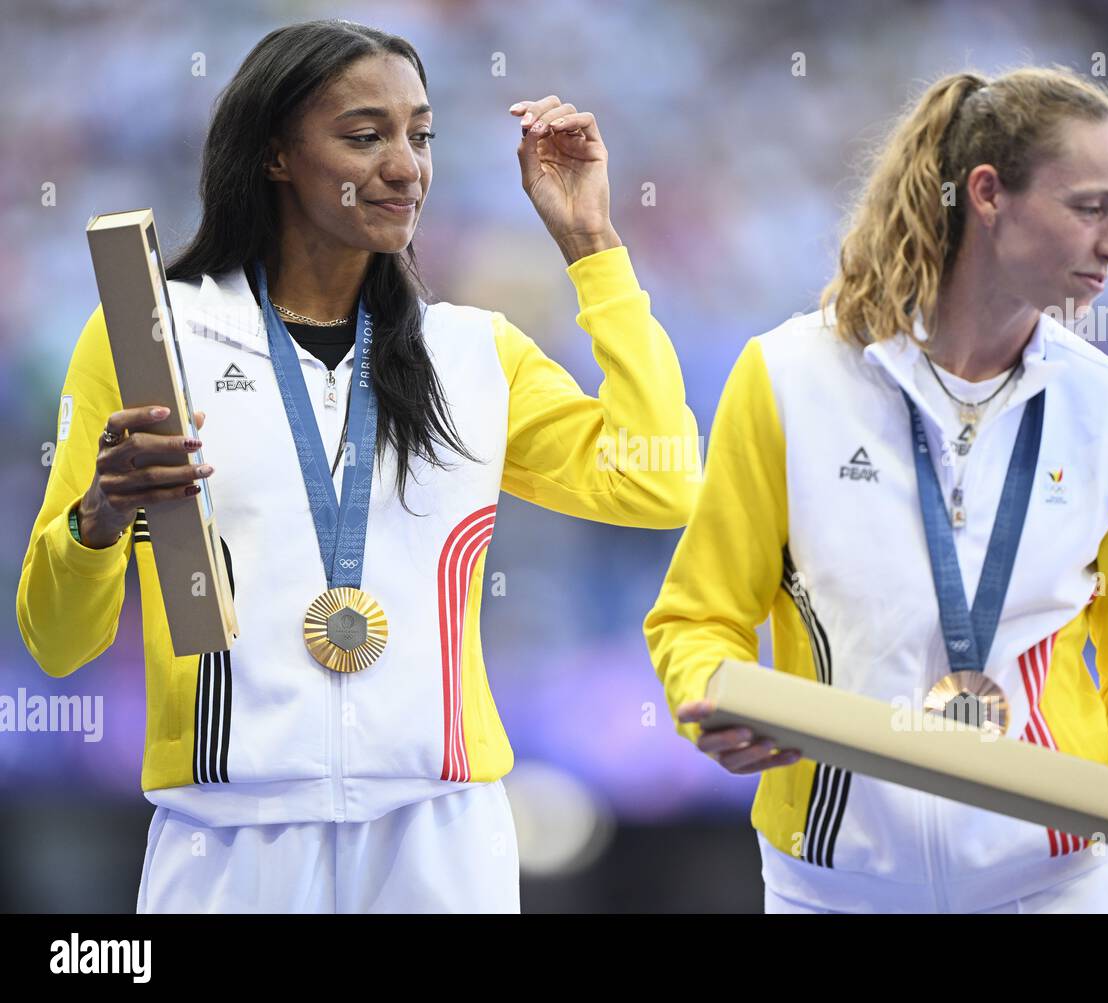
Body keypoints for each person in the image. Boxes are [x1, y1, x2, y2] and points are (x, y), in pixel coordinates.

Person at [16, 18, 700, 913]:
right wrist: (97, 519)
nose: (406, 165)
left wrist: (593, 248)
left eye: (420, 136)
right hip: (228, 832)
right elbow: (56, 641)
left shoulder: (471, 352)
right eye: (364, 135)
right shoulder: (151, 336)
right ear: (274, 155)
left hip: (444, 833)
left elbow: (661, 482)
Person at [644, 65, 1108, 914]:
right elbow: (699, 614)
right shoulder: (788, 380)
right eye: (1091, 208)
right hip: (834, 888)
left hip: (1056, 884)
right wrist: (712, 697)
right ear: (988, 194)